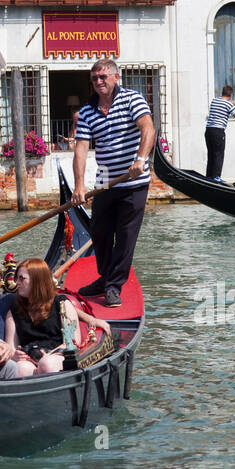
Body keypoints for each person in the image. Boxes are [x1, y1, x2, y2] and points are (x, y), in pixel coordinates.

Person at [72, 59, 154, 307]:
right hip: (106, 184)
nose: (98, 82)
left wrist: (140, 159)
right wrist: (79, 185)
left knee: (126, 237)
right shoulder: (87, 110)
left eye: (103, 77)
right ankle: (106, 277)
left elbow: (148, 128)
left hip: (135, 182)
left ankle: (113, 286)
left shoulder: (132, 99)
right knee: (99, 233)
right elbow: (81, 149)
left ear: (115, 77)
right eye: (94, 78)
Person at [4, 257, 109, 377]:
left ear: (37, 281)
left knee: (46, 364)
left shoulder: (62, 304)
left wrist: (50, 354)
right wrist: (15, 355)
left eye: (22, 279)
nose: (16, 283)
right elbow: (11, 347)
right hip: (29, 357)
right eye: (17, 278)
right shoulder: (14, 311)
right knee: (20, 368)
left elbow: (72, 342)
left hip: (59, 355)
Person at [204, 84, 235, 180]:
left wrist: (233, 102)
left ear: (222, 92)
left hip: (208, 131)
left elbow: (224, 102)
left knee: (211, 153)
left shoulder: (214, 100)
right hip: (218, 131)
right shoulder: (229, 105)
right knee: (219, 154)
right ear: (231, 94)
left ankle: (209, 176)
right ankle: (216, 177)